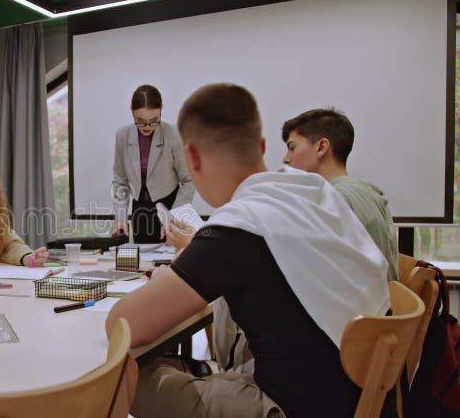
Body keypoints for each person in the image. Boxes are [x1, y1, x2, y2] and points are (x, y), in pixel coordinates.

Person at [105, 83, 391, 417]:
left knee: (124, 378)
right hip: (354, 393)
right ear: (262, 146)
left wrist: (170, 275)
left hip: (292, 407)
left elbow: (121, 325)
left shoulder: (237, 228)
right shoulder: (314, 195)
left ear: (192, 157)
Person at [282, 108, 398, 281]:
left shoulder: (332, 200)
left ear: (321, 147)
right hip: (383, 304)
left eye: (292, 148)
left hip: (358, 307)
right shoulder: (370, 192)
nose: (286, 159)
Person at [111, 84, 195, 243]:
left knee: (173, 258)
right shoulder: (122, 135)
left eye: (154, 120)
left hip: (172, 203)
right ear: (132, 112)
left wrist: (174, 216)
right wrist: (120, 216)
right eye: (140, 121)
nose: (148, 127)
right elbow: (120, 180)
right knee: (145, 260)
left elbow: (188, 180)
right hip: (140, 207)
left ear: (161, 109)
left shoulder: (175, 134)